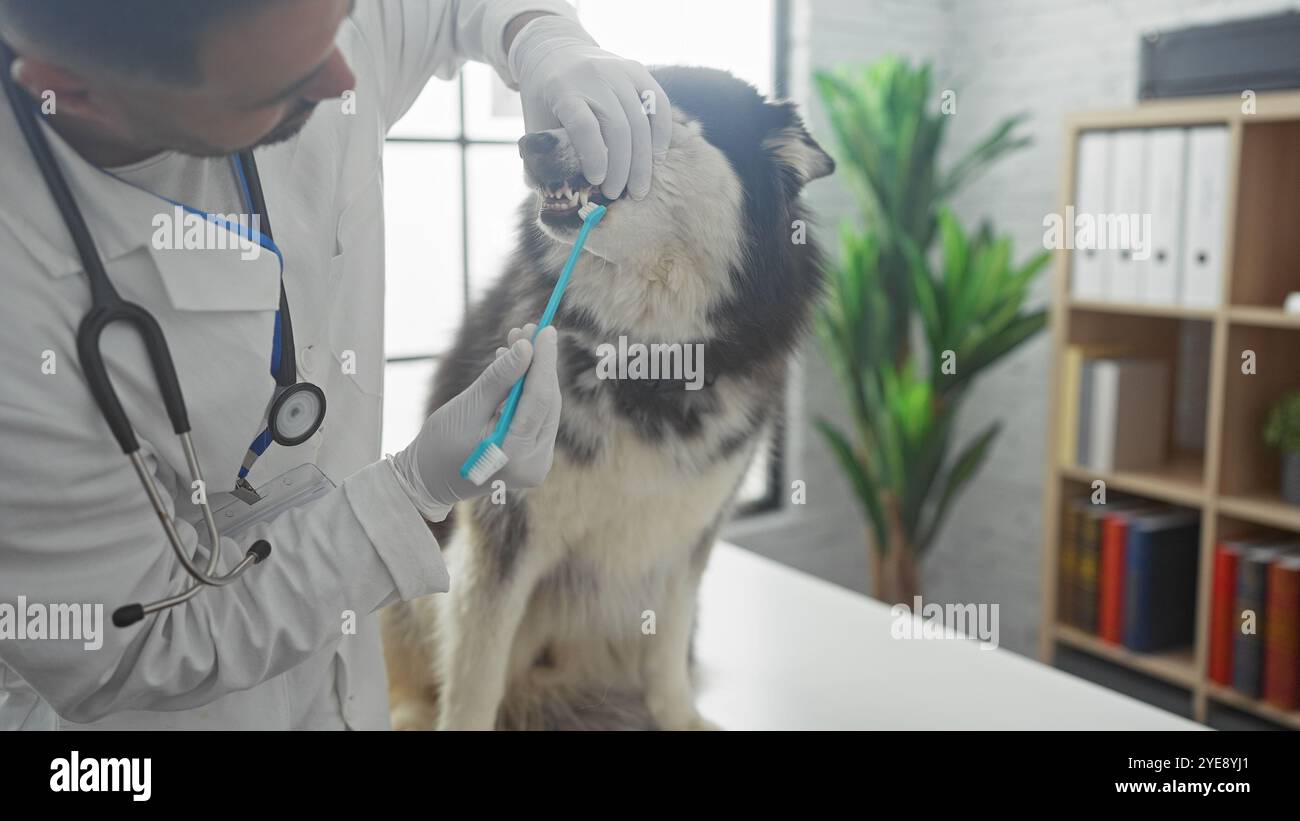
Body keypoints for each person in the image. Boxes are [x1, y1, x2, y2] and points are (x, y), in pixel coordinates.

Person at [0, 0, 672, 730]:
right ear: (75, 92)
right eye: (280, 89)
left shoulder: (290, 29)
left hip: (350, 687)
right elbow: (135, 646)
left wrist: (541, 37)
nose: (346, 77)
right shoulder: (20, 311)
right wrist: (413, 491)